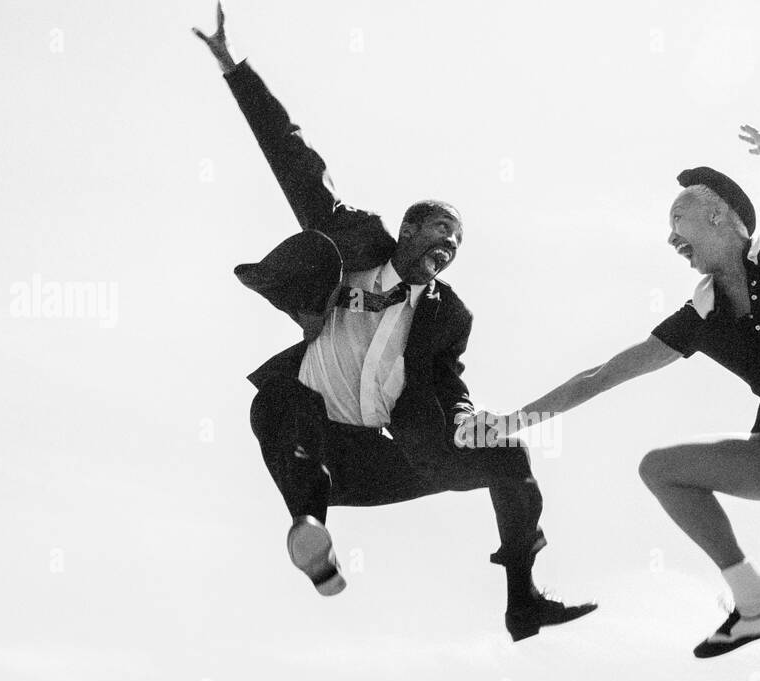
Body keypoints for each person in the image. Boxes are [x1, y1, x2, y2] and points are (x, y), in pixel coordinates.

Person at [193, 6, 595, 641]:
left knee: (510, 457)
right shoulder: (348, 240)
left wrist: (465, 417)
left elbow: (447, 384)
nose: (451, 245)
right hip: (306, 428)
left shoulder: (448, 315)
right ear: (407, 229)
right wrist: (233, 67)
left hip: (380, 457)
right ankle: (310, 531)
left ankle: (523, 599)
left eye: (458, 242)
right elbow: (291, 154)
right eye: (441, 230)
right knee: (284, 412)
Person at [492, 125, 760, 658]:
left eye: (679, 220)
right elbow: (600, 376)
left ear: (719, 215)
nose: (672, 239)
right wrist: (508, 423)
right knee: (660, 467)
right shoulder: (701, 316)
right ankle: (756, 606)